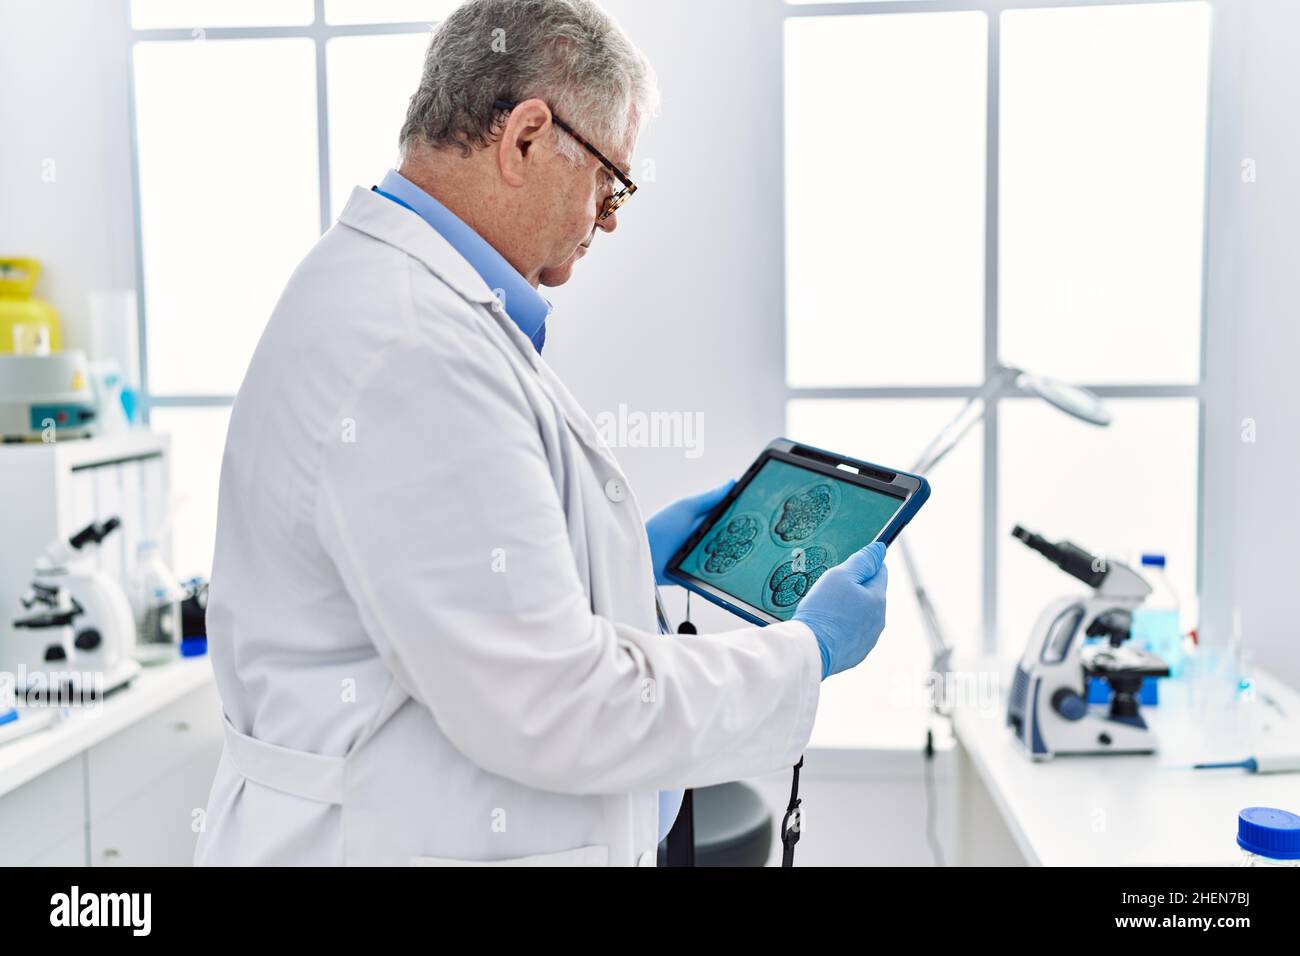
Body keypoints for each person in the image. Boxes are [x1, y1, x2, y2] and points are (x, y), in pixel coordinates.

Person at [195, 0, 888, 867]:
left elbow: (447, 595)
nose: (608, 220)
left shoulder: (394, 297)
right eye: (610, 184)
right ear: (525, 139)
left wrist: (617, 559)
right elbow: (553, 703)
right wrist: (805, 654)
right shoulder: (413, 345)